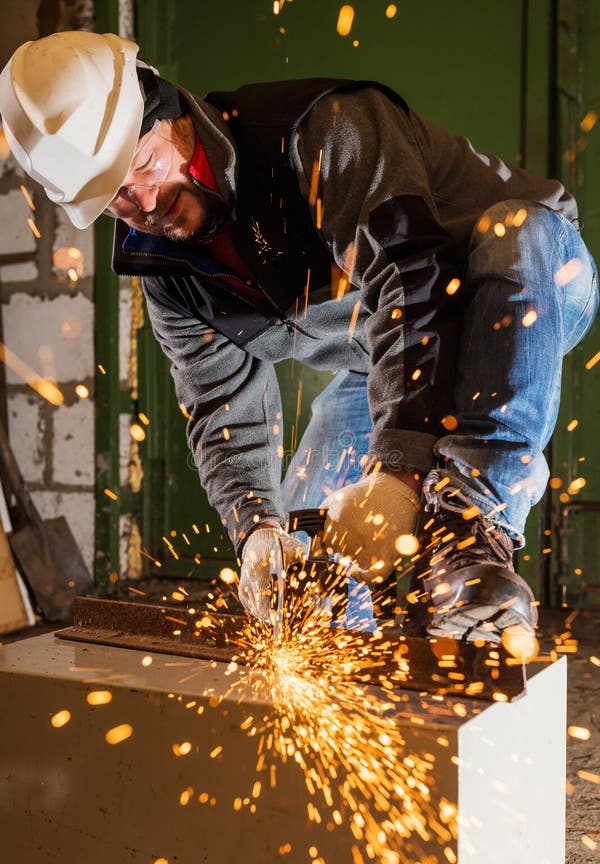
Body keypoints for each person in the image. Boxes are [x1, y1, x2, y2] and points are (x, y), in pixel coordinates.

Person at [1, 31, 597, 642]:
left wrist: (401, 473)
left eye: (145, 166)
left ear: (173, 113)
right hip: (380, 355)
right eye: (115, 199)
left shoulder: (319, 131)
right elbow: (220, 408)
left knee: (517, 229)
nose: (145, 202)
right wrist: (256, 530)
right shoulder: (164, 269)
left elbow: (413, 280)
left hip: (524, 285)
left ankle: (470, 544)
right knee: (307, 585)